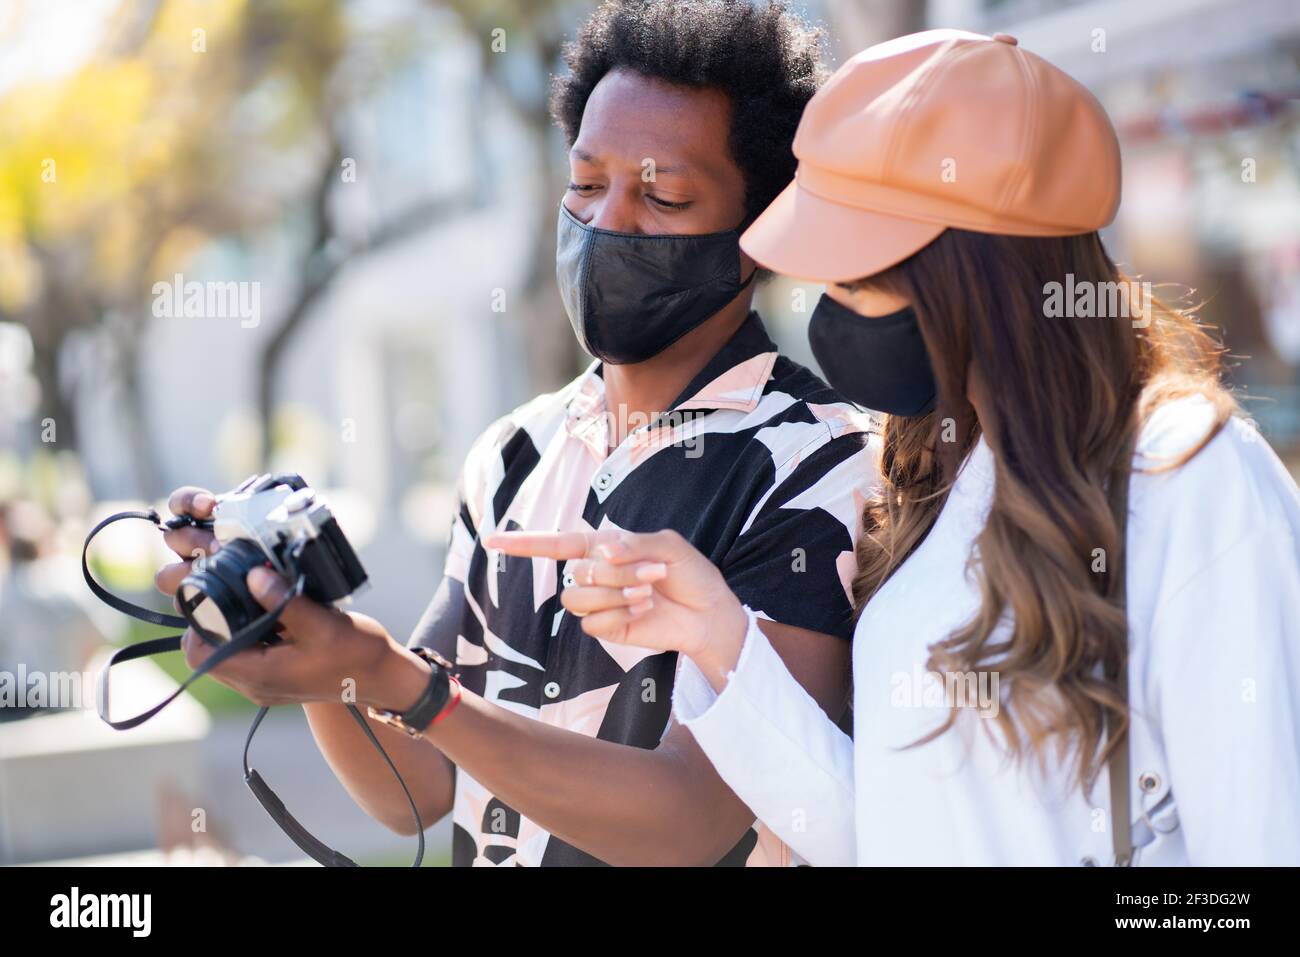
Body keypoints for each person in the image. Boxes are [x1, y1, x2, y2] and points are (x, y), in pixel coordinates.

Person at [493, 29, 1300, 865]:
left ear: (968, 272)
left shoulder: (1186, 472)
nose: (831, 308)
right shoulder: (934, 480)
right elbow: (882, 835)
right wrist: (718, 634)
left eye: (854, 273)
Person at [155, 0, 880, 866]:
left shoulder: (825, 465)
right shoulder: (515, 450)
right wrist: (312, 638)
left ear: (758, 231)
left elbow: (693, 818)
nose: (609, 221)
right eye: (584, 183)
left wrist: (403, 682)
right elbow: (417, 786)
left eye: (663, 195)